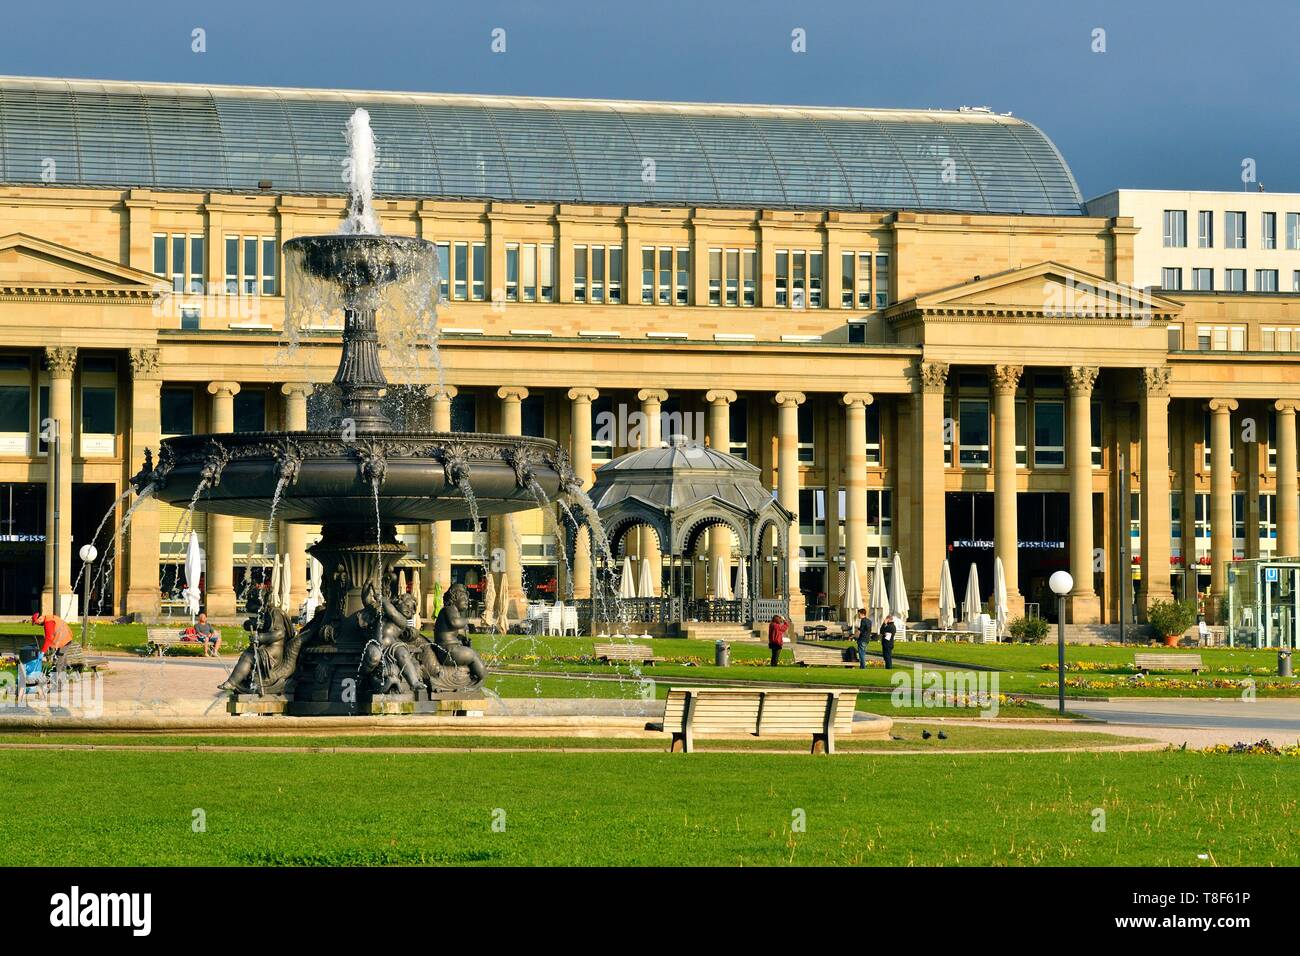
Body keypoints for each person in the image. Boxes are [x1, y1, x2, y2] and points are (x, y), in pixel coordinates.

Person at [30, 611, 73, 687]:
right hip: (67, 639)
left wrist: (42, 652)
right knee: (62, 663)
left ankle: (58, 685)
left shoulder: (48, 623)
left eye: (37, 623)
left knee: (58, 663)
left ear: (40, 619)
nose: (39, 625)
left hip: (64, 641)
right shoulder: (49, 618)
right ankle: (60, 682)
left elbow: (48, 639)